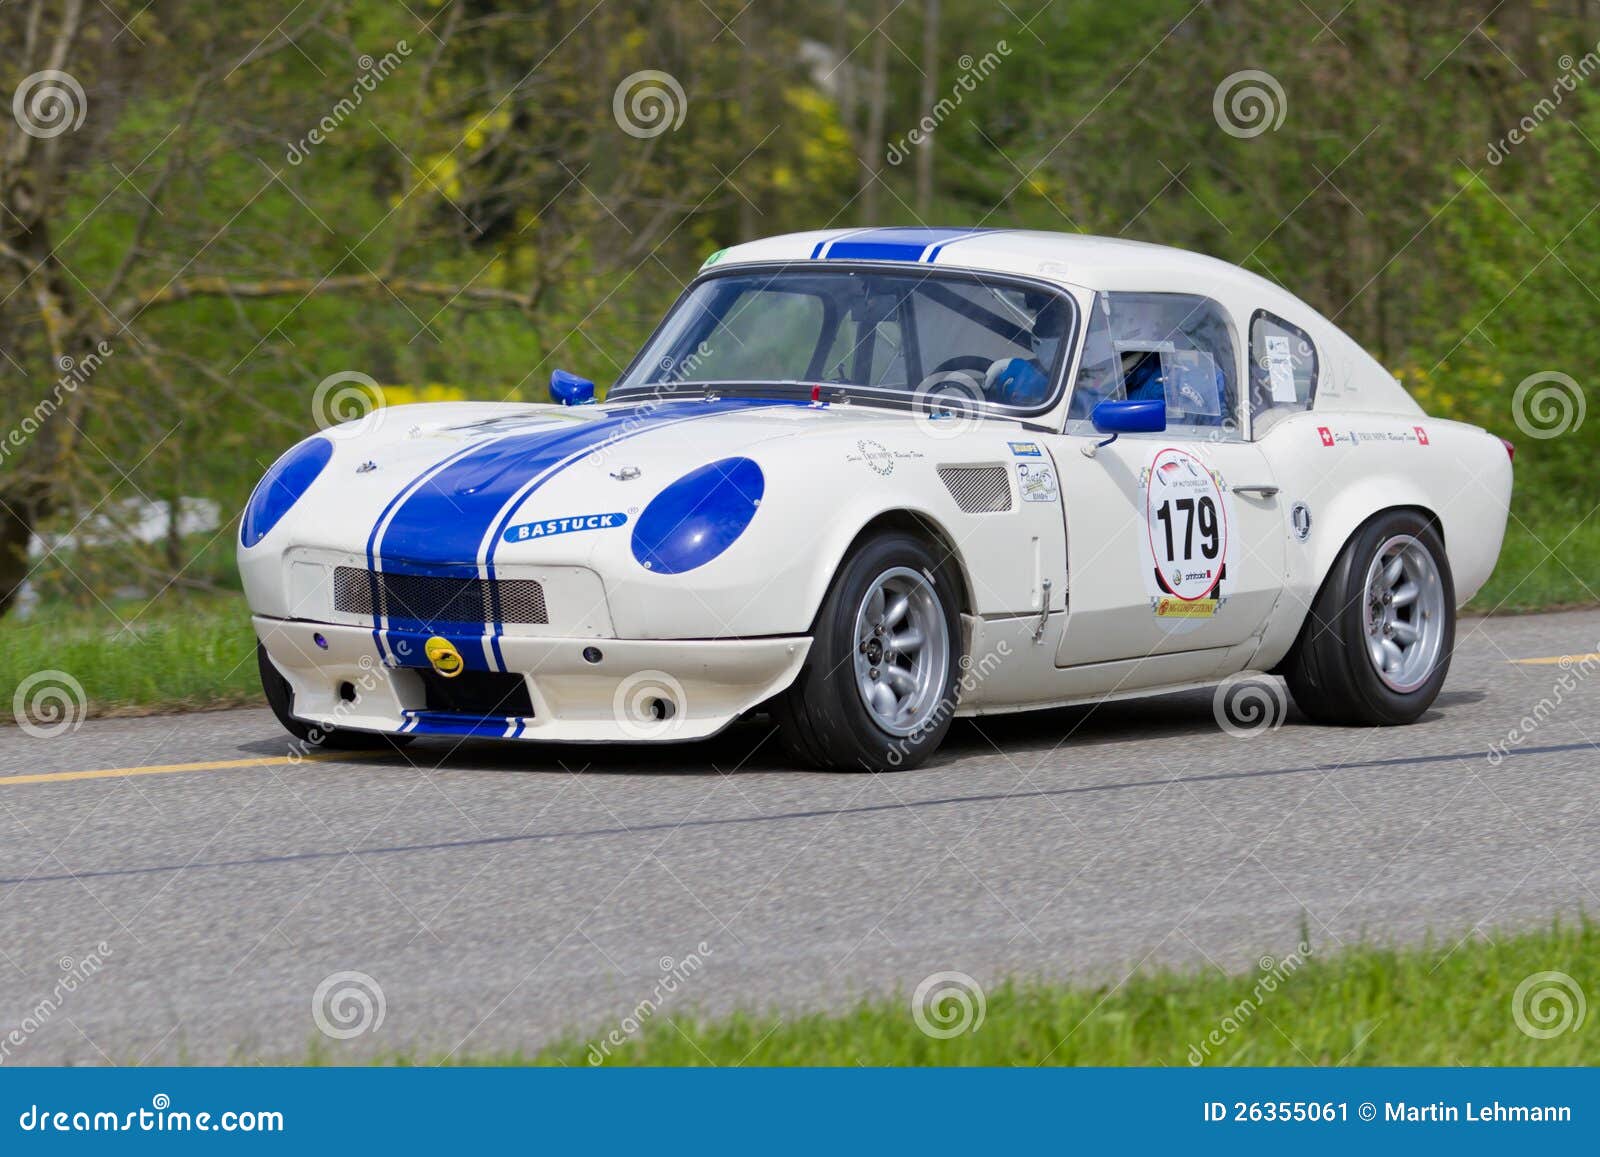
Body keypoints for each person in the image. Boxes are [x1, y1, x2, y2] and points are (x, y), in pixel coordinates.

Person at [984, 298, 1068, 407]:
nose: (1043, 324)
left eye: (1055, 314)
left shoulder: (1092, 378)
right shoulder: (1034, 368)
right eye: (1041, 311)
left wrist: (1046, 390)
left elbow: (1087, 406)